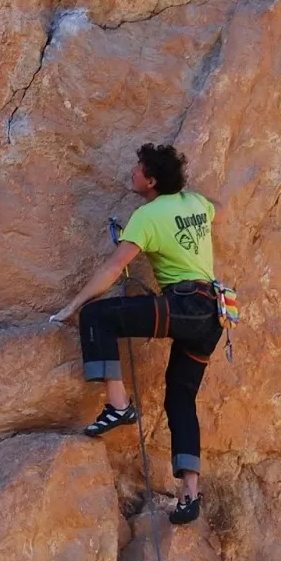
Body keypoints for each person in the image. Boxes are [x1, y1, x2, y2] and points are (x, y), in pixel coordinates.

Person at [50, 143, 222, 525]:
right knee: (180, 399)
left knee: (98, 315)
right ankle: (190, 495)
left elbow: (114, 269)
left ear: (152, 180)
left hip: (184, 305)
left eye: (138, 168)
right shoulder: (196, 203)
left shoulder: (147, 216)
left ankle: (118, 405)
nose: (133, 172)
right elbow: (216, 208)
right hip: (211, 315)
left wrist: (72, 306)